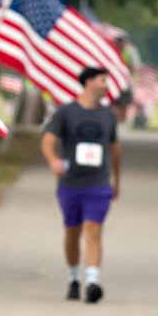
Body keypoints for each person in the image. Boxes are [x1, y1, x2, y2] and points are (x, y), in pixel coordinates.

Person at [41, 66, 121, 303]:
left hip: (98, 183)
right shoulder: (66, 112)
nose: (106, 85)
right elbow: (47, 140)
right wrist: (54, 160)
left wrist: (117, 179)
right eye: (102, 80)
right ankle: (74, 277)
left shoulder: (108, 115)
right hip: (71, 183)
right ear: (88, 83)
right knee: (72, 232)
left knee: (93, 230)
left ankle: (93, 281)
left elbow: (115, 150)